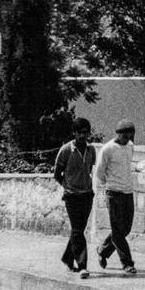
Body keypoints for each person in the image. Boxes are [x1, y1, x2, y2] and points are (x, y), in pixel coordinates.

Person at [53, 118, 96, 278]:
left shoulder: (91, 150)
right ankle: (82, 265)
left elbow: (89, 169)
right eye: (79, 133)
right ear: (74, 133)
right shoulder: (66, 150)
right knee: (77, 230)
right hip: (72, 196)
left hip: (87, 194)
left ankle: (67, 257)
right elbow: (57, 174)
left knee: (78, 230)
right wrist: (68, 186)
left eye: (85, 133)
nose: (82, 136)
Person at [95, 119, 138, 275]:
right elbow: (99, 171)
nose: (127, 139)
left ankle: (103, 250)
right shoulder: (107, 149)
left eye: (130, 136)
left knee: (125, 228)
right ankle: (127, 263)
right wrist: (109, 184)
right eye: (125, 136)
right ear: (118, 134)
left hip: (128, 191)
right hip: (113, 193)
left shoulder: (130, 146)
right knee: (117, 229)